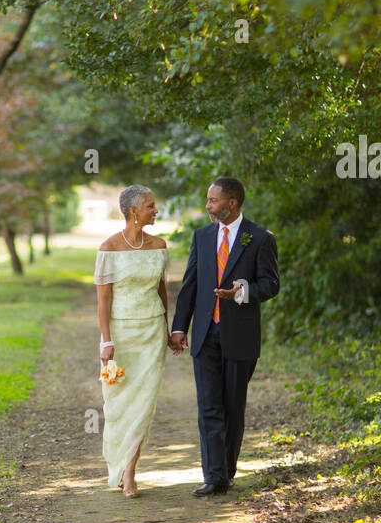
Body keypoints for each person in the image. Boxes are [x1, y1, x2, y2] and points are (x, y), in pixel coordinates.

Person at [168, 177, 280, 496]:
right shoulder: (202, 237)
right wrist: (179, 327)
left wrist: (242, 292)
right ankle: (214, 476)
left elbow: (271, 284)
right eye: (207, 200)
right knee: (208, 406)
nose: (208, 206)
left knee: (233, 405)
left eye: (213, 200)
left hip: (240, 336)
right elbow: (190, 284)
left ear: (232, 203)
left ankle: (227, 471)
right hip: (204, 334)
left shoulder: (259, 238)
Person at [95, 185, 170, 498]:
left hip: (152, 331)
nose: (156, 210)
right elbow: (103, 300)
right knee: (120, 402)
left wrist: (169, 330)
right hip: (122, 335)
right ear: (133, 212)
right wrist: (106, 341)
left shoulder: (160, 245)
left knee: (144, 402)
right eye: (150, 206)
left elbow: (162, 290)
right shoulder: (109, 248)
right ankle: (120, 462)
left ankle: (130, 473)